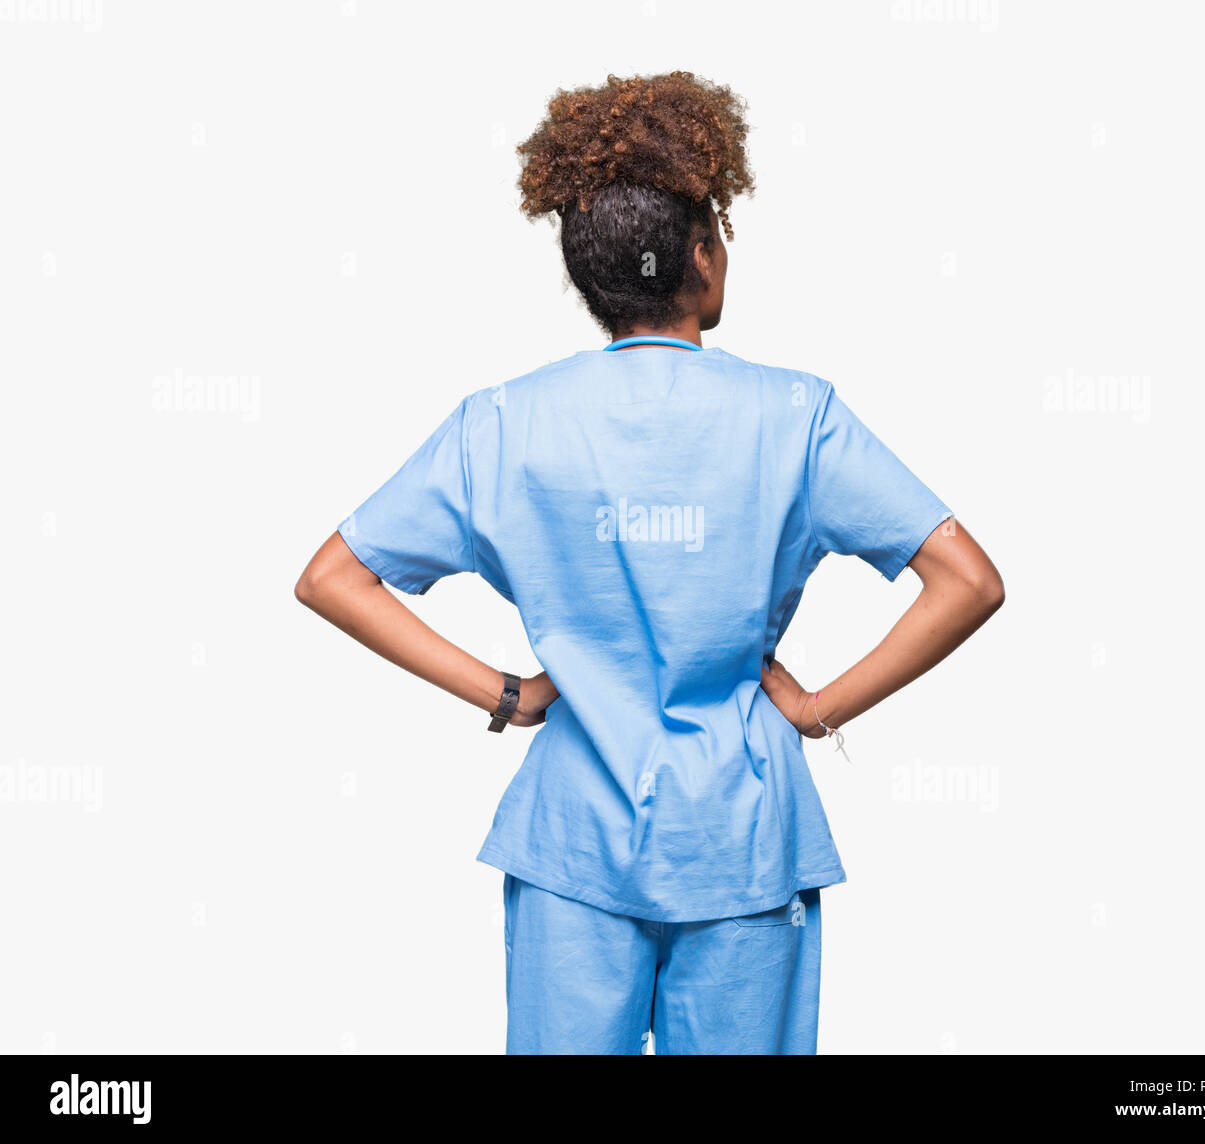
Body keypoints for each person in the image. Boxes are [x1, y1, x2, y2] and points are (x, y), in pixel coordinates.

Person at [295, 71, 1004, 1055]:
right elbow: (970, 579)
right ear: (702, 259)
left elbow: (331, 575)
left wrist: (507, 692)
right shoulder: (796, 417)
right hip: (746, 845)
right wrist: (816, 706)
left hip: (573, 841)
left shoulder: (505, 425)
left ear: (593, 281)